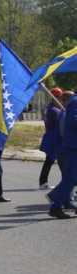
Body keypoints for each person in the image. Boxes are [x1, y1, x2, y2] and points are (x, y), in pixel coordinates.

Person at [48, 90, 77, 219]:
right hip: (73, 147)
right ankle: (55, 204)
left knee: (71, 178)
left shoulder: (73, 102)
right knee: (71, 178)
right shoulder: (75, 102)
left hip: (70, 146)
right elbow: (73, 122)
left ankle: (56, 201)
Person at [39, 88, 64, 189]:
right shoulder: (55, 111)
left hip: (51, 137)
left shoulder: (50, 108)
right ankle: (67, 182)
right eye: (60, 97)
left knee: (50, 161)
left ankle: (43, 182)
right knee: (58, 161)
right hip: (54, 139)